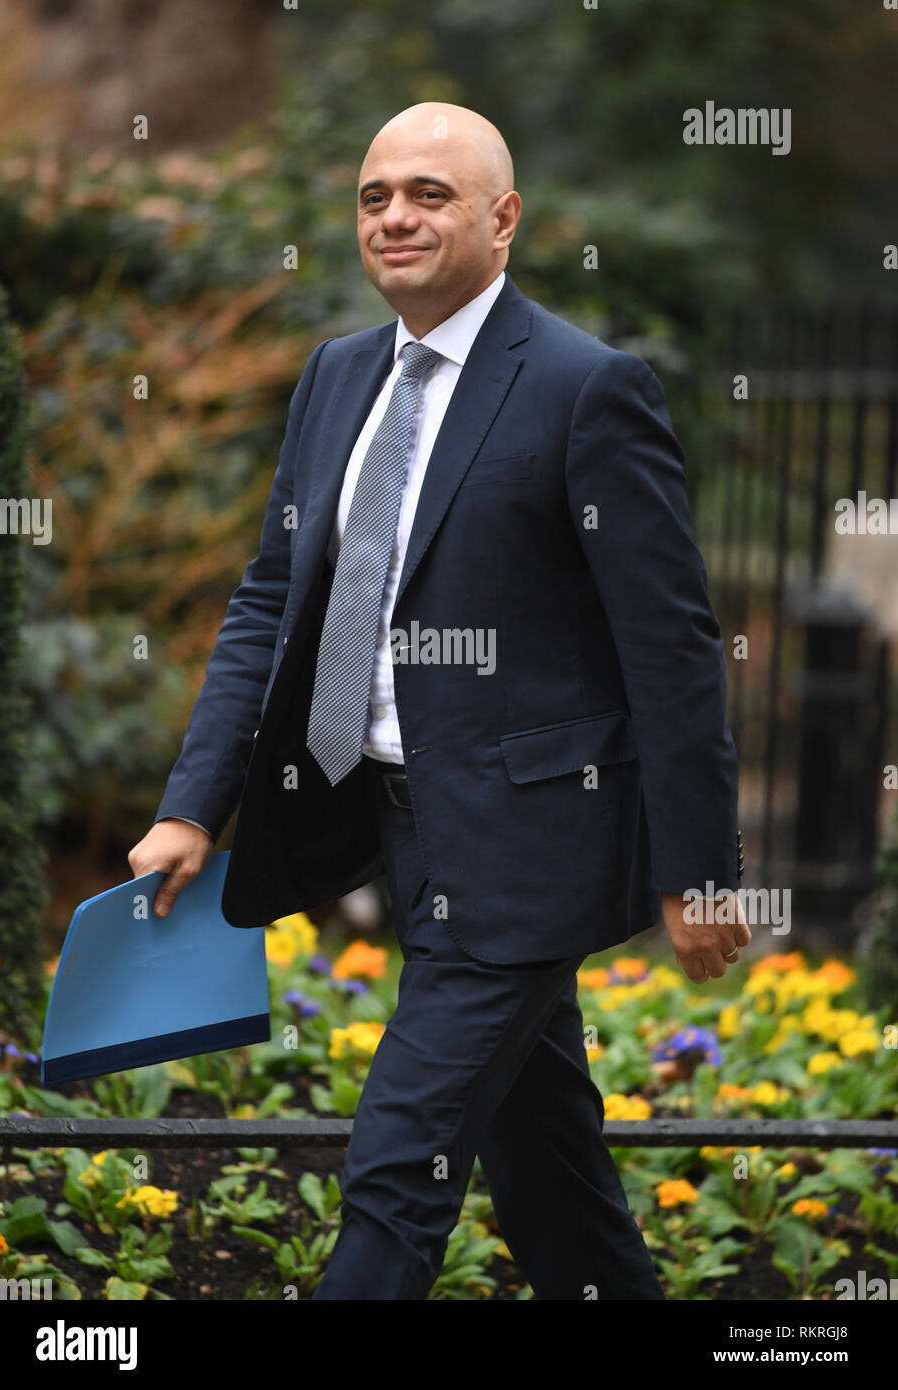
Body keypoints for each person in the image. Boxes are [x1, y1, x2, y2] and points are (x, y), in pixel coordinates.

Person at [128, 101, 751, 1300]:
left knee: (393, 1172)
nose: (396, 217)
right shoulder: (336, 377)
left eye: (430, 193)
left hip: (529, 841)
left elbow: (669, 645)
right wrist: (194, 807)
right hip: (398, 827)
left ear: (503, 219)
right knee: (548, 1172)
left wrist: (699, 863)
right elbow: (271, 602)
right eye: (375, 198)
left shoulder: (587, 388)